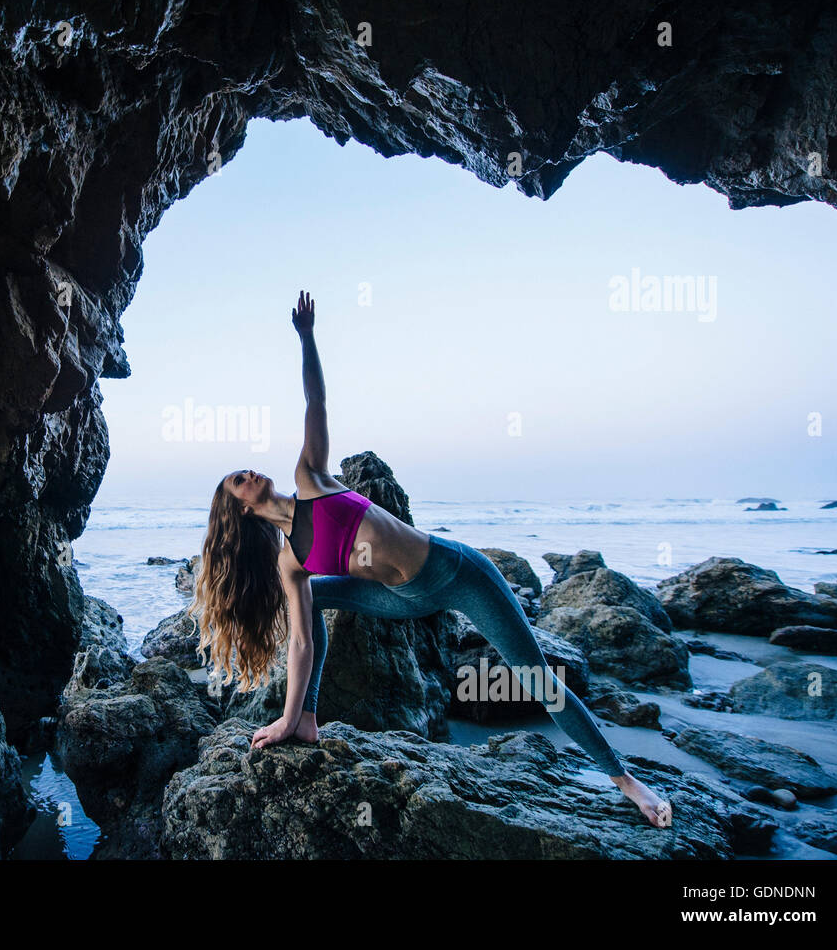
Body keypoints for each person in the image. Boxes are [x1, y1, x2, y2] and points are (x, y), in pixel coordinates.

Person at [185, 289, 673, 828]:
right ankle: (307, 721)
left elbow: (315, 402)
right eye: (239, 480)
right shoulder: (289, 562)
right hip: (402, 599)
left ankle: (626, 781)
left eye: (245, 469)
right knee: (311, 602)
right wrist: (286, 716)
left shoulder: (312, 479)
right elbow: (300, 642)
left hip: (459, 574)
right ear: (241, 511)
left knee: (536, 679)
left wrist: (307, 337)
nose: (249, 471)